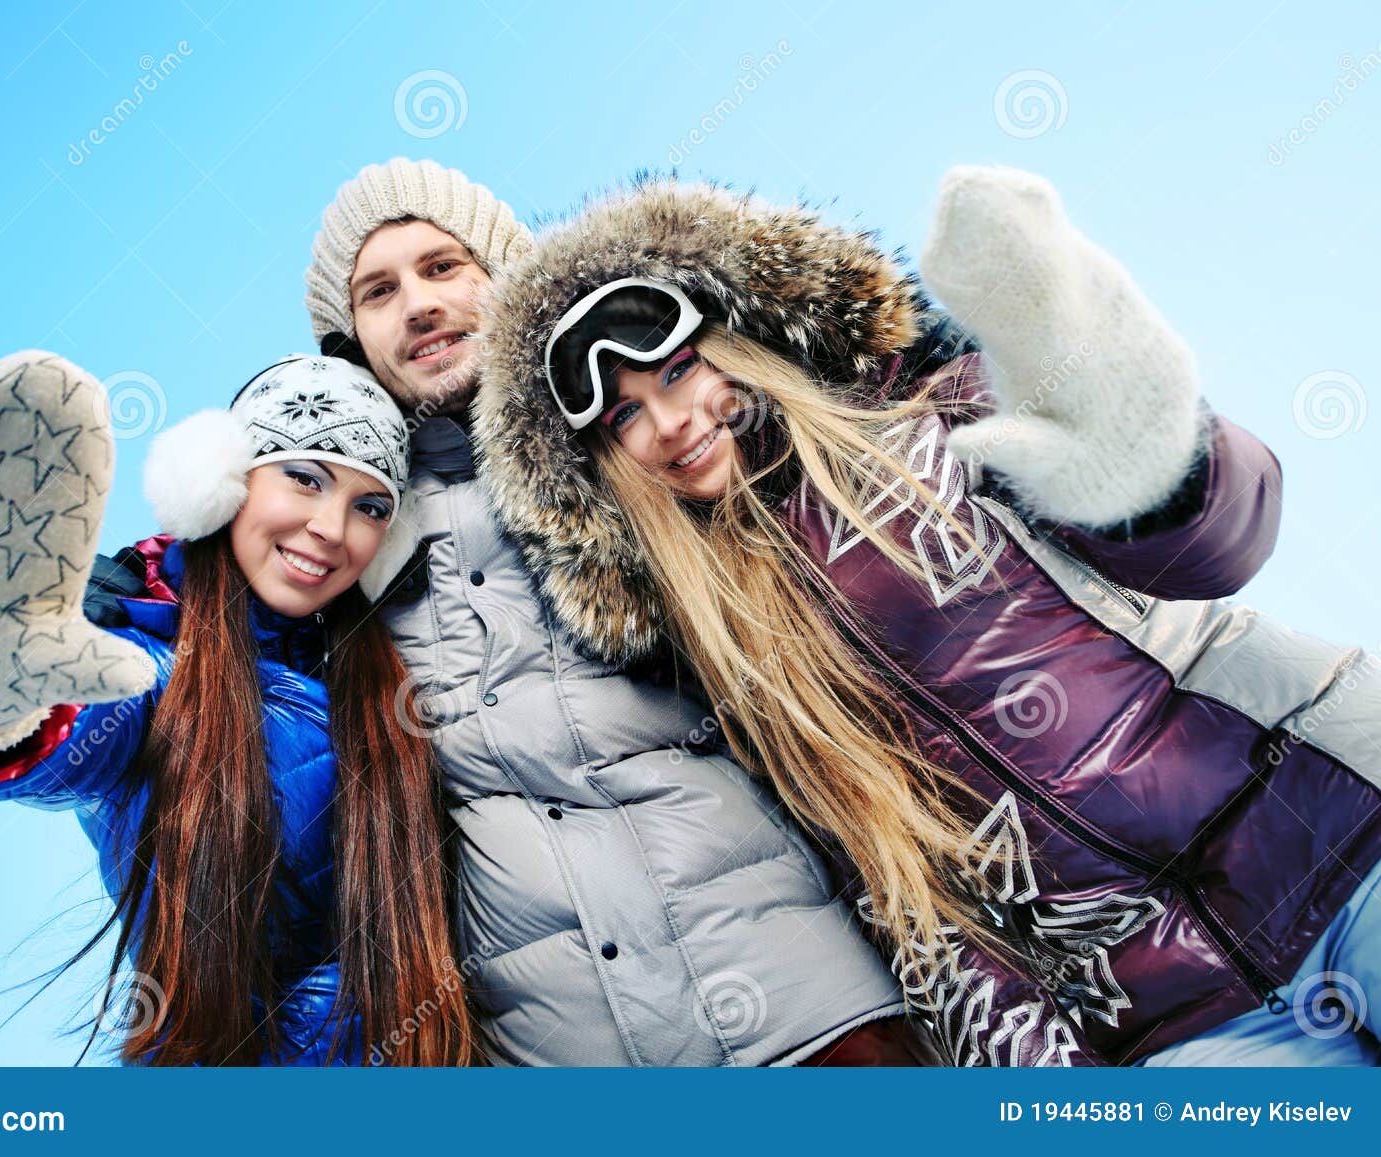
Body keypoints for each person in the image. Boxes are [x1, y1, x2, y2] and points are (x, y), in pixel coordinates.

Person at [474, 163, 1381, 1066]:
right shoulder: (719, 658)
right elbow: (903, 898)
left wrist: (1140, 448)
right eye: (625, 416)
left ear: (742, 338)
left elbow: (1215, 549)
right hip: (1175, 1019)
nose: (670, 420)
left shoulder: (938, 418)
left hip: (1335, 825)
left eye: (679, 369)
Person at [289, 158, 924, 1065]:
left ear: (508, 278)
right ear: (349, 342)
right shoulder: (343, 543)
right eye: (378, 291)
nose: (420, 305)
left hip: (806, 1006)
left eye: (443, 266)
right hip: (565, 1048)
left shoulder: (631, 433)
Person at [0, 351, 473, 1066]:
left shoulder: (392, 681)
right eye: (305, 477)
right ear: (224, 484)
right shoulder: (154, 675)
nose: (332, 527)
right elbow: (55, 727)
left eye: (371, 507)